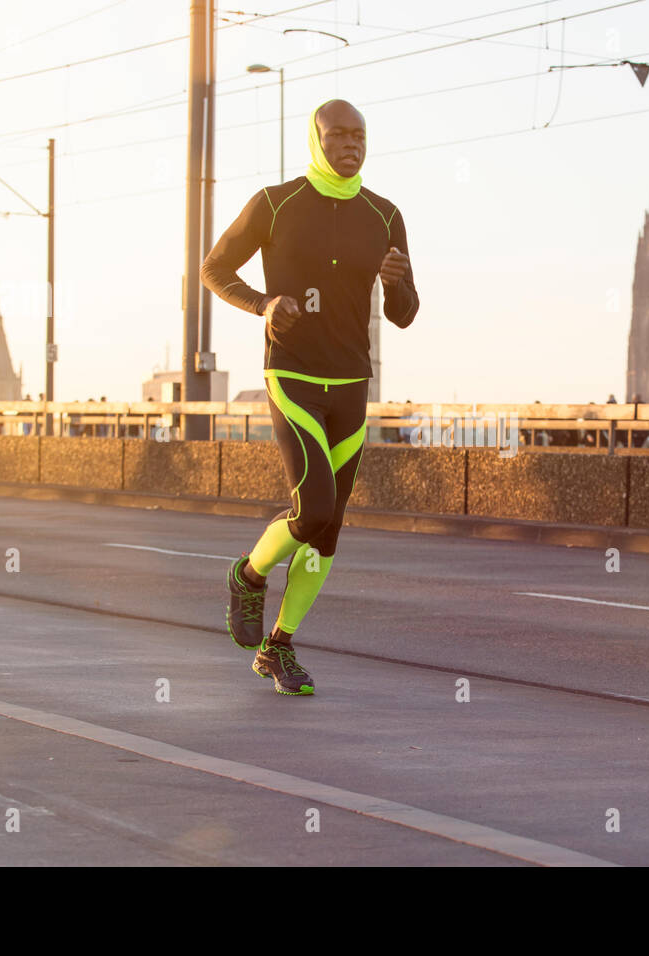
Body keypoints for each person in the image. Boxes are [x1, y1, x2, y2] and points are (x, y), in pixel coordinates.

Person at [201, 98, 419, 695]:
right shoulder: (275, 203)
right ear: (315, 139)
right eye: (339, 135)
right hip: (293, 375)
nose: (352, 144)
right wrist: (264, 305)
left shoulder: (385, 214)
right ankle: (247, 575)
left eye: (361, 136)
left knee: (329, 530)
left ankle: (279, 647)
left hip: (352, 382)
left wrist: (395, 286)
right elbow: (215, 268)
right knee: (313, 508)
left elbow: (404, 314)